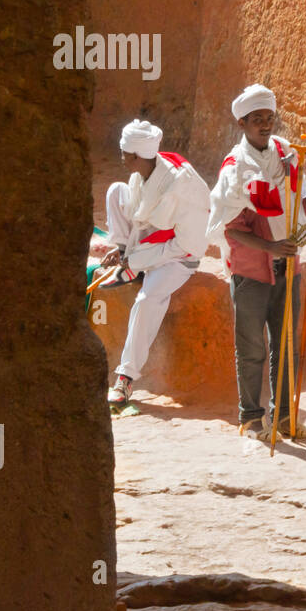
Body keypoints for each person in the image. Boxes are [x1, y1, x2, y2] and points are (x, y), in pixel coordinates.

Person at [207, 84, 306, 440]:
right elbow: (230, 228)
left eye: (269, 118)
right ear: (242, 123)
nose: (265, 124)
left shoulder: (288, 155)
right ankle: (252, 418)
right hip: (251, 271)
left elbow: (296, 207)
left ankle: (285, 419)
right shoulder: (235, 168)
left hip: (288, 266)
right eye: (257, 119)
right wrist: (270, 247)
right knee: (253, 348)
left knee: (286, 344)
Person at [101, 119, 210, 406]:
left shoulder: (179, 185)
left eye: (125, 153)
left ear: (136, 156)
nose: (121, 157)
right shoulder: (145, 171)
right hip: (154, 241)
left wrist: (135, 262)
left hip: (180, 255)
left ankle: (125, 378)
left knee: (147, 299)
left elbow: (184, 245)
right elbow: (141, 215)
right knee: (115, 191)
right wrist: (126, 250)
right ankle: (128, 262)